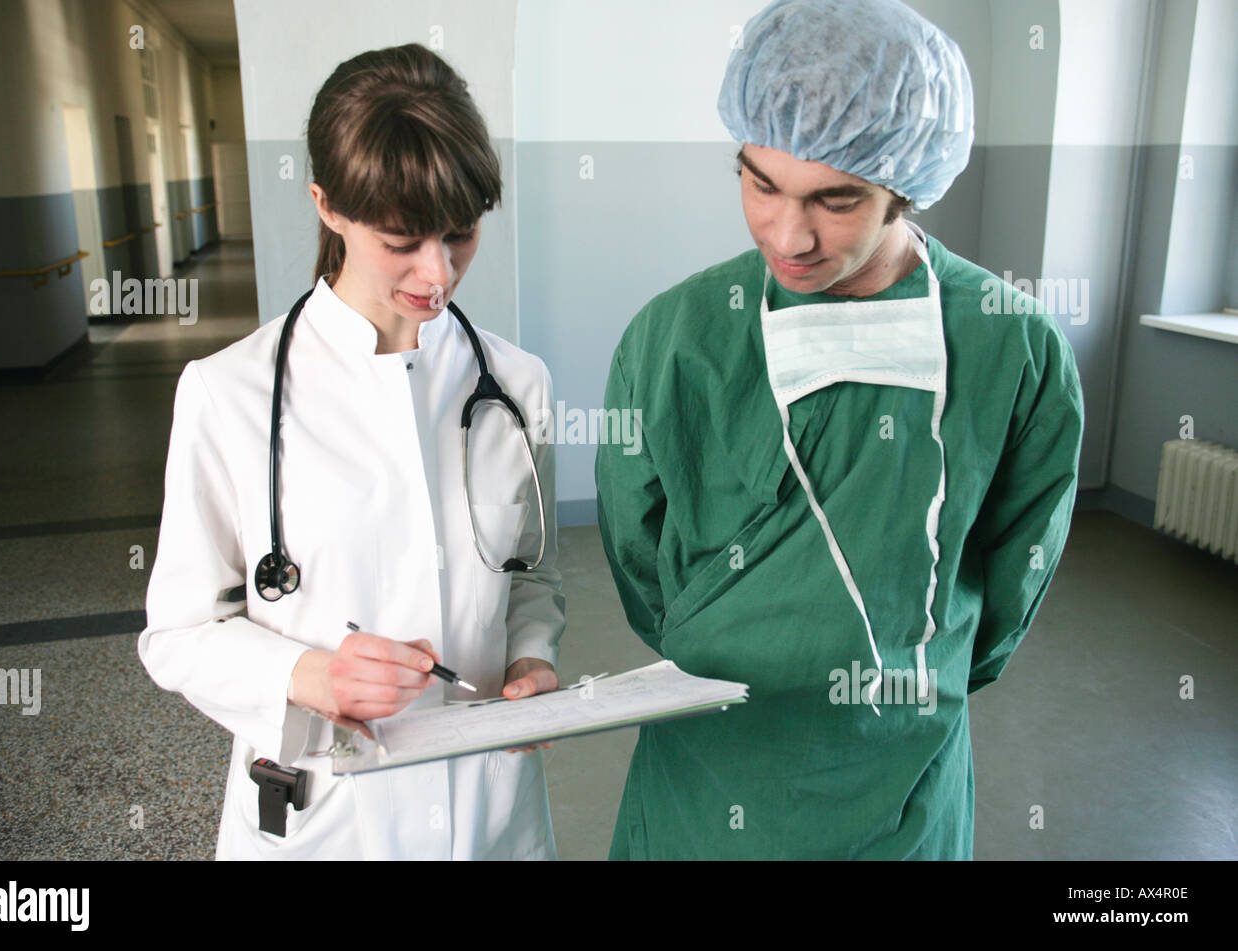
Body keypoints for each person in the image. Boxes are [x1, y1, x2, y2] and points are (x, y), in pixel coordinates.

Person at [595, 0, 1083, 859]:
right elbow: (641, 560)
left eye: (837, 198)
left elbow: (1017, 562)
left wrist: (911, 673)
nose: (789, 235)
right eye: (759, 183)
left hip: (900, 773)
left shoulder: (1014, 345)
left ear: (908, 182)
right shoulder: (674, 339)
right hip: (714, 771)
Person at [139, 44, 564, 860]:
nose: (436, 273)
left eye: (460, 233)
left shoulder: (516, 383)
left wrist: (533, 662)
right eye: (401, 240)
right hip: (322, 816)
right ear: (327, 206)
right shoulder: (228, 394)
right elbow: (178, 633)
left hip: (490, 811)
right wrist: (312, 678)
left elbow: (534, 576)